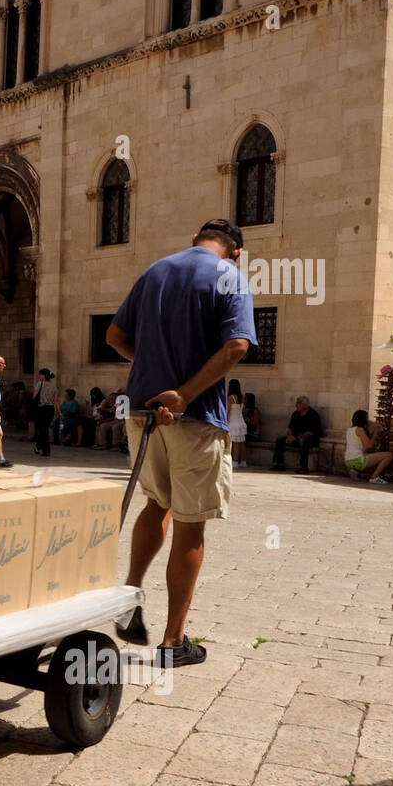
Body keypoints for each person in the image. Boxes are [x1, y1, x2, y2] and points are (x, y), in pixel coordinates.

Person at [105, 218, 256, 667]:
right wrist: (185, 392)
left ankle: (129, 599)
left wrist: (153, 366)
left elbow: (114, 337)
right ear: (235, 252)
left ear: (194, 238)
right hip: (194, 417)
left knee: (156, 505)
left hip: (143, 412)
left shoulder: (154, 271)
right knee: (190, 524)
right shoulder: (230, 277)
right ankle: (173, 642)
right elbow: (237, 347)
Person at [270, 396, 323, 472]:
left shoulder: (313, 415)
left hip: (310, 440)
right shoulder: (295, 414)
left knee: (303, 441)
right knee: (280, 440)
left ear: (305, 405)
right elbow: (290, 428)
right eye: (296, 403)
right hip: (295, 438)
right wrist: (289, 436)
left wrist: (296, 438)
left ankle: (303, 467)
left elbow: (310, 432)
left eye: (298, 403)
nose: (296, 405)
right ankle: (278, 464)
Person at [346, 409, 393, 484]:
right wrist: (376, 431)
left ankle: (356, 471)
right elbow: (369, 445)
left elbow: (364, 444)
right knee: (388, 455)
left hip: (348, 460)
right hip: (357, 460)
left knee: (373, 456)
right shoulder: (360, 430)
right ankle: (374, 477)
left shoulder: (349, 430)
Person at [32, 368, 57, 456]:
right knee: (44, 429)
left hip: (42, 409)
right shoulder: (54, 386)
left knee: (43, 430)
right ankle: (39, 447)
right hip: (50, 409)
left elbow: (34, 396)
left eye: (40, 374)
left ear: (43, 375)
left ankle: (46, 450)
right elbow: (55, 400)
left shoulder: (40, 384)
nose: (39, 376)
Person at [227, 378, 247, 467]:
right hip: (240, 422)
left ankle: (235, 462)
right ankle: (243, 462)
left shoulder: (231, 397)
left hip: (233, 423)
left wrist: (225, 421)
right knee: (241, 443)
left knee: (235, 444)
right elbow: (243, 411)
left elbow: (227, 410)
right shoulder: (241, 397)